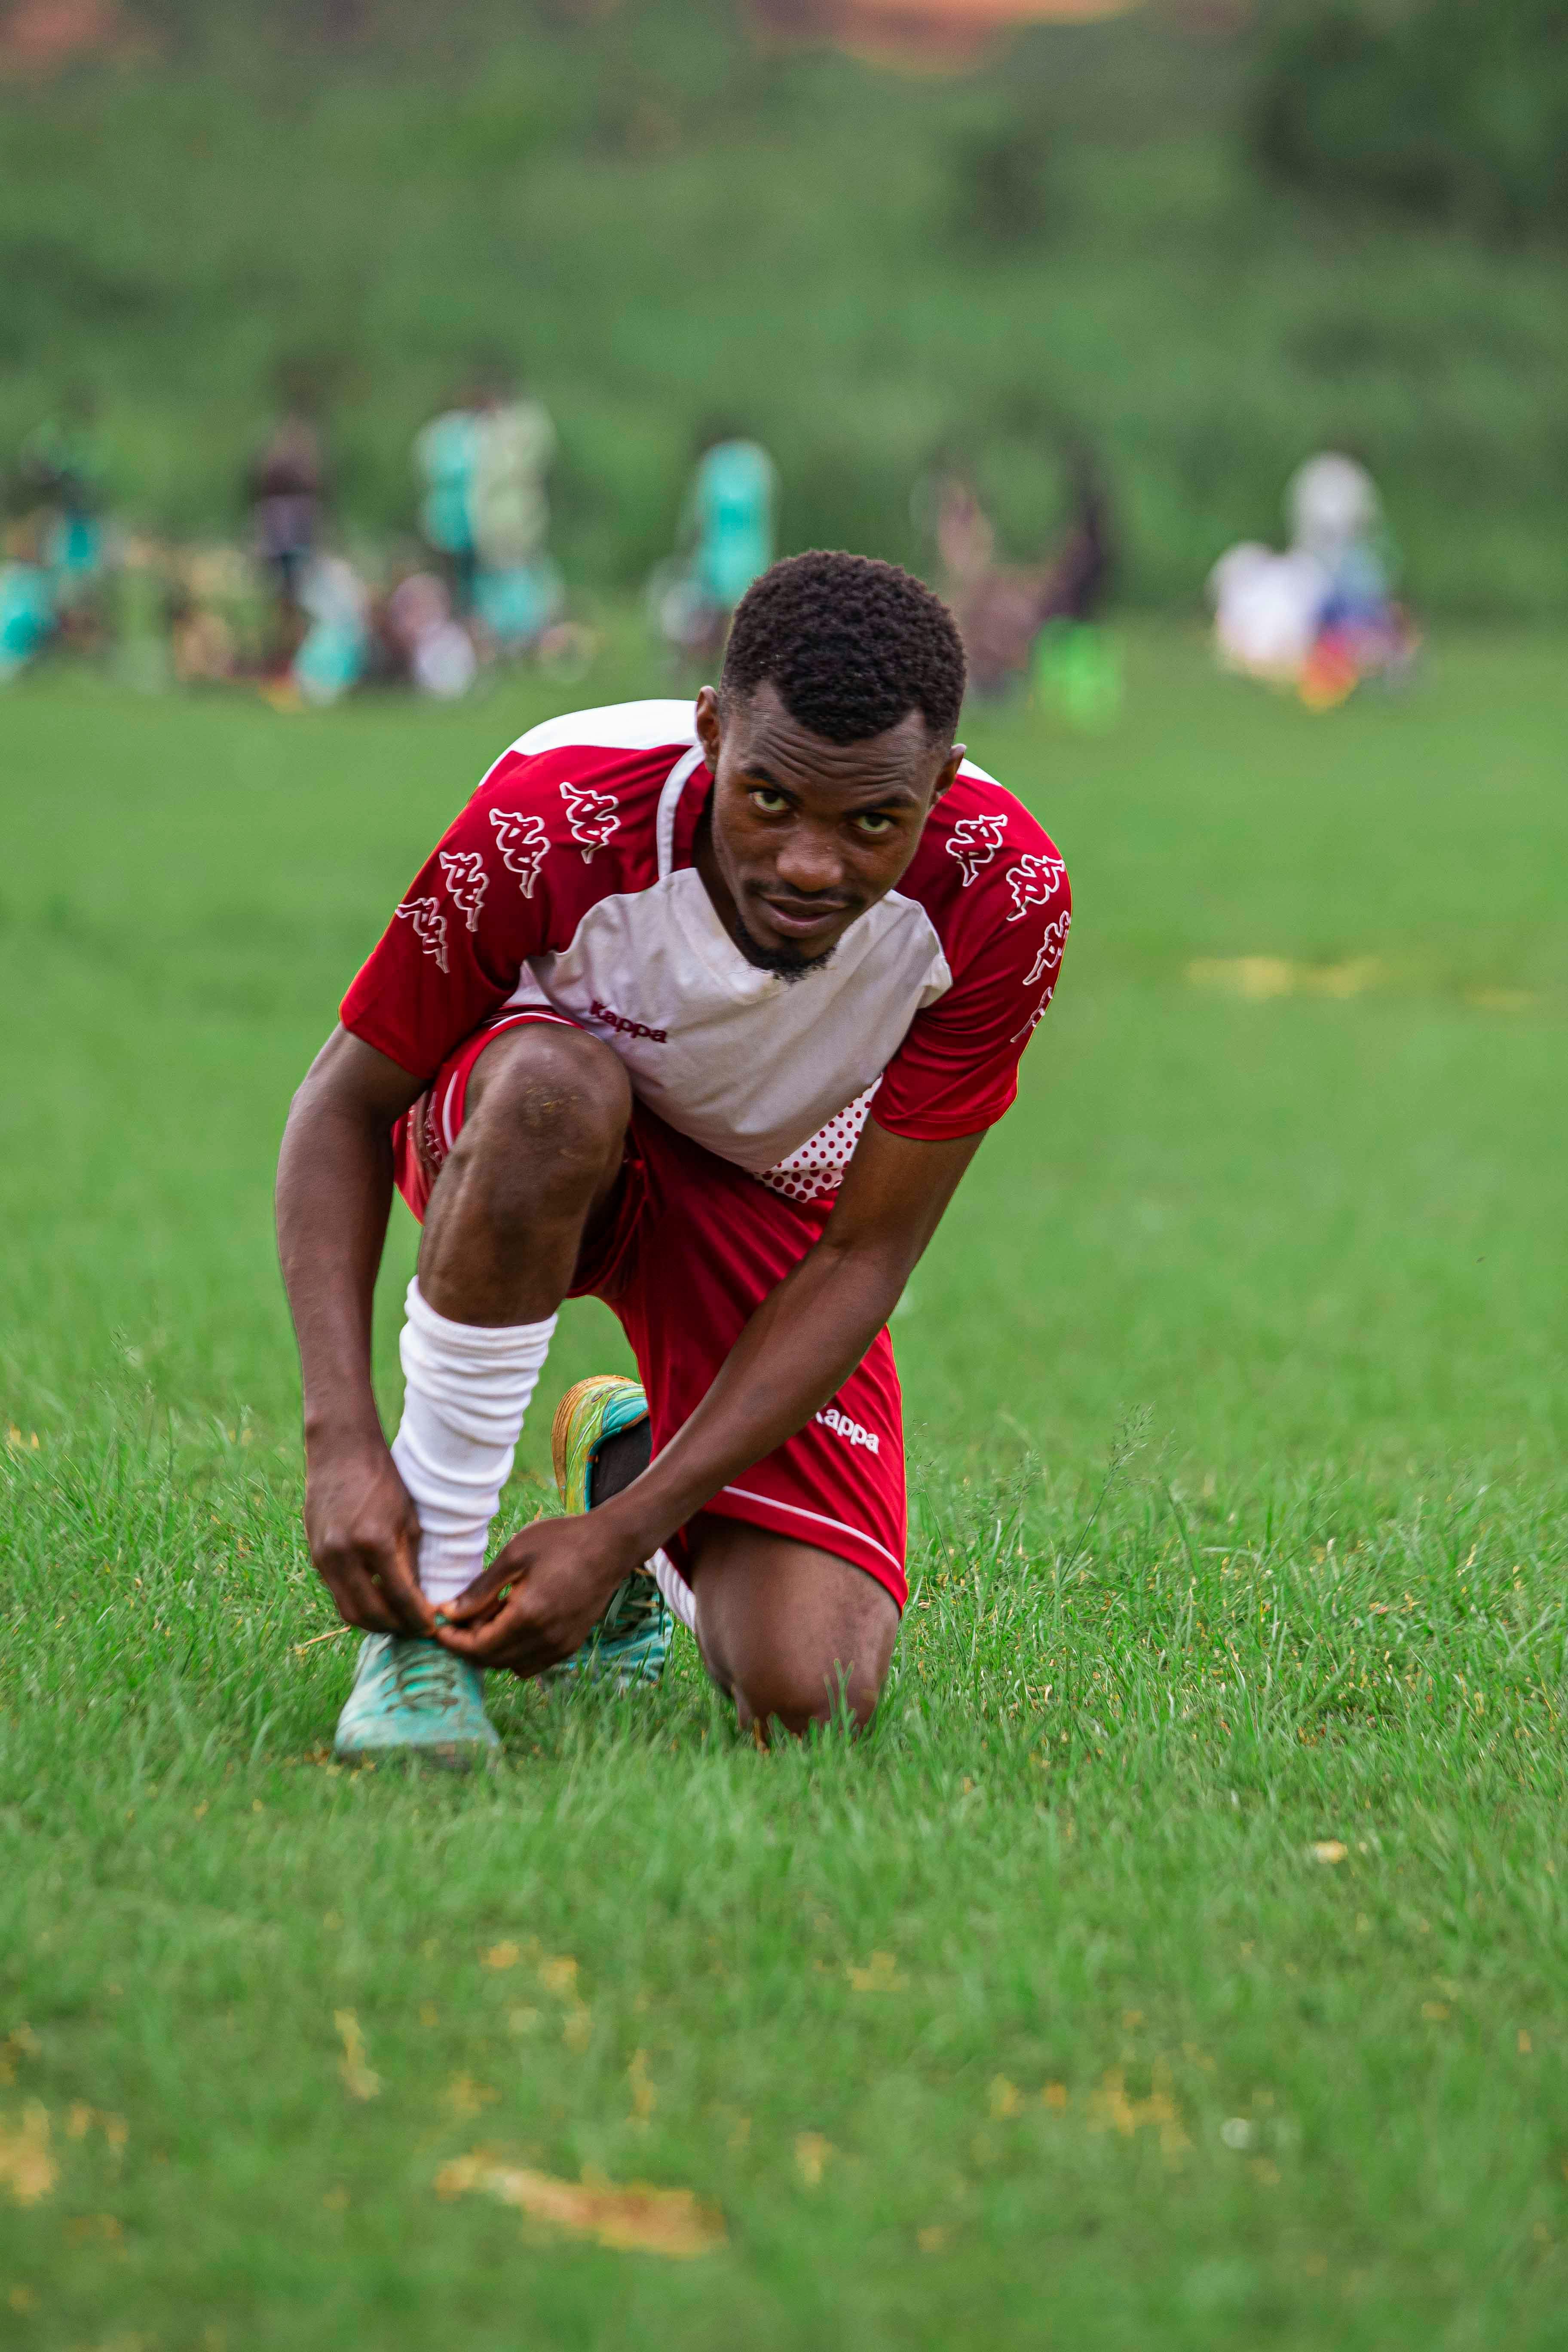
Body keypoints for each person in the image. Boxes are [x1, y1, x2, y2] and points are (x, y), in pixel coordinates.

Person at [276, 551, 1072, 1765]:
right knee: (556, 1093)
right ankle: (422, 1643)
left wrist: (627, 1532)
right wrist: (341, 1440)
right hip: (535, 1146)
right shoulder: (556, 812)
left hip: (775, 1200)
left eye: (874, 822)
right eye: (769, 800)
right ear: (712, 732)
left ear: (942, 784)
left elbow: (866, 1254)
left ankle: (630, 1486)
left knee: (812, 1702)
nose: (813, 863)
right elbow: (342, 1105)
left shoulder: (1004, 894)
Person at [653, 428, 777, 668]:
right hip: (750, 550)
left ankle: (701, 659)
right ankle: (732, 664)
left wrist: (689, 549)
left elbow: (699, 517)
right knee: (739, 614)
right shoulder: (756, 464)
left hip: (717, 552)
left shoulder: (713, 466)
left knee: (710, 612)